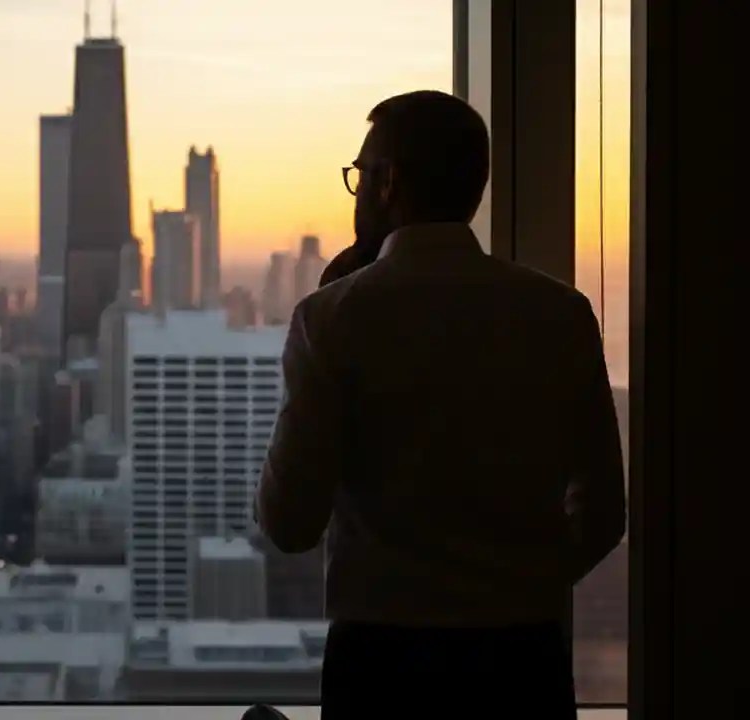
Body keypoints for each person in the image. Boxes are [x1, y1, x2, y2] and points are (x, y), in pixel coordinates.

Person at [256, 90, 626, 718]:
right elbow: (604, 512)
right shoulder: (560, 315)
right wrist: (521, 583)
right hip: (521, 660)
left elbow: (288, 524)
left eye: (360, 176)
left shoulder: (333, 318)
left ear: (388, 183)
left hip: (381, 665)